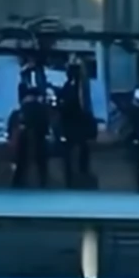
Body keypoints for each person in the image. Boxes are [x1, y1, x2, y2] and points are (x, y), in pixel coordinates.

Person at [56, 55, 96, 188]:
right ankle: (73, 176)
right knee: (74, 149)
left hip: (75, 123)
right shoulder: (73, 85)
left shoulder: (79, 85)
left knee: (79, 149)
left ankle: (80, 174)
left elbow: (77, 103)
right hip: (73, 123)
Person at [12, 57, 51, 187]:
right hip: (33, 115)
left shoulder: (32, 84)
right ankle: (36, 178)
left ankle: (24, 178)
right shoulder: (31, 84)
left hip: (32, 115)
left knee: (32, 149)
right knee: (32, 150)